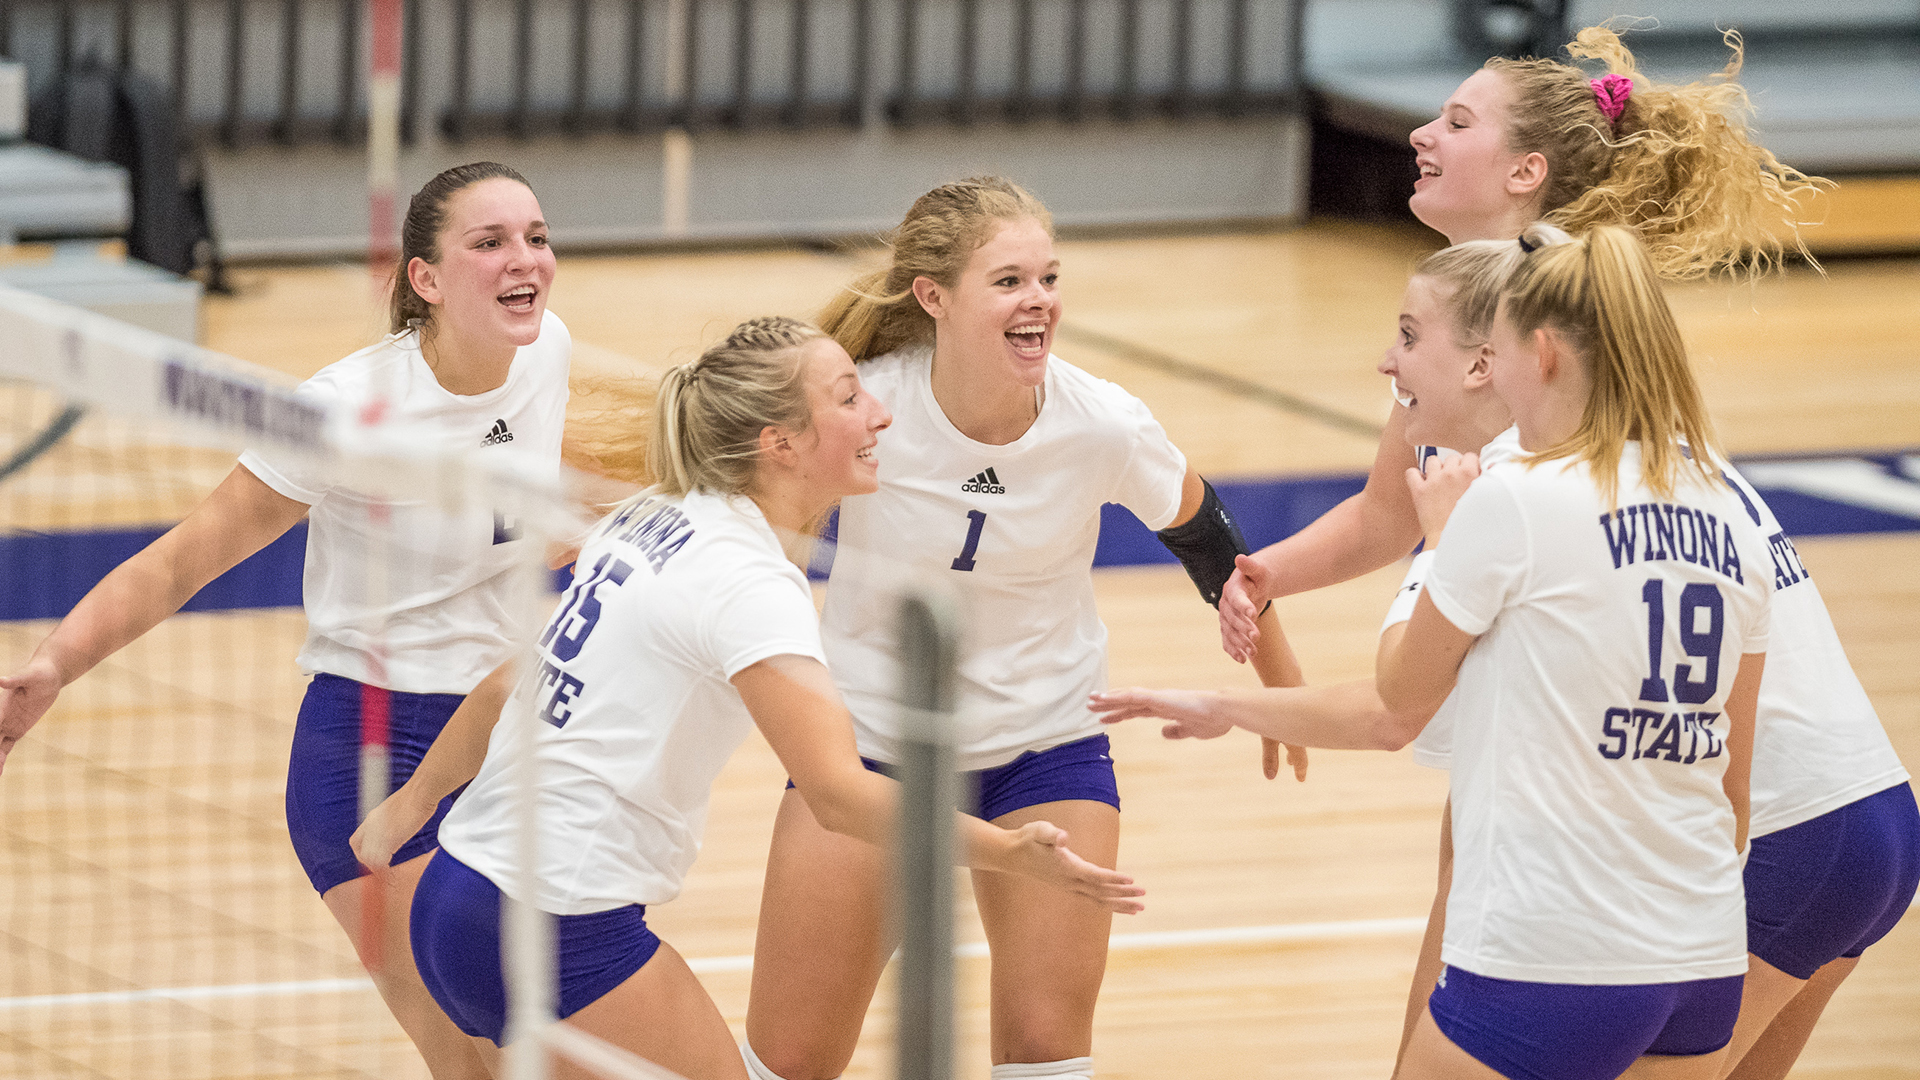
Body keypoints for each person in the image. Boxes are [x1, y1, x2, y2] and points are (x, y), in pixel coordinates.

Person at [350, 316, 1145, 1080]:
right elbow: (838, 795)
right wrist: (1010, 853)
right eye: (848, 398)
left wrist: (414, 803)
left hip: (455, 895)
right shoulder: (750, 583)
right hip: (550, 926)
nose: (879, 413)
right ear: (780, 444)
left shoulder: (654, 513)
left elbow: (508, 681)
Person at [0, 161, 570, 1080]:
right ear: (425, 279)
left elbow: (521, 495)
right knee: (487, 1061)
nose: (526, 259)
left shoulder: (547, 353)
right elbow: (182, 560)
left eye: (537, 237)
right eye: (491, 241)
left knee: (535, 1048)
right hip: (374, 751)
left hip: (499, 737)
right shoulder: (345, 410)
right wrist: (54, 667)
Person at [739, 177, 1288, 1080]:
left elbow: (1210, 540)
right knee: (792, 1059)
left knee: (1043, 1048)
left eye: (1048, 278)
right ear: (934, 297)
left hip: (1046, 745)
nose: (1038, 300)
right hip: (876, 748)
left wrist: (1283, 693)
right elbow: (759, 533)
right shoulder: (867, 409)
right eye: (1008, 281)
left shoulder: (1102, 424)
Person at [1218, 24, 1823, 640]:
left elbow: (1416, 683)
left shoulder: (1550, 327)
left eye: (1458, 124)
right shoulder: (1469, 305)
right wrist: (1264, 574)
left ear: (1525, 171)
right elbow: (1387, 515)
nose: (1421, 133)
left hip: (1730, 678)